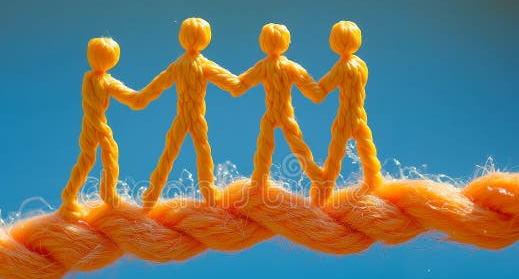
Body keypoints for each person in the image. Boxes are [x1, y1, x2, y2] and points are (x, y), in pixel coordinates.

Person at [135, 17, 242, 208]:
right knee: (202, 153)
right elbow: (232, 83)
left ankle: (152, 194)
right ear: (205, 39)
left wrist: (141, 97)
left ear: (182, 37)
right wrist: (249, 79)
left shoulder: (180, 65)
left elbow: (159, 84)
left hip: (183, 116)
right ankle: (208, 192)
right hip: (195, 116)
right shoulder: (204, 65)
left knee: (170, 153)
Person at [234, 23, 325, 191]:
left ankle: (259, 184)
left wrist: (223, 79)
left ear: (263, 42)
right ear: (286, 42)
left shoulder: (263, 66)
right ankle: (318, 179)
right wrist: (323, 89)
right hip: (284, 114)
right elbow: (314, 92)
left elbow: (240, 84)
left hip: (272, 115)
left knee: (264, 149)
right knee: (298, 149)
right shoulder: (290, 67)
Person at [60, 37, 142, 215]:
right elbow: (131, 98)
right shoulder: (105, 81)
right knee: (108, 153)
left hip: (90, 123)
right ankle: (106, 194)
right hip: (96, 123)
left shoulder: (89, 77)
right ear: (113, 60)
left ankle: (72, 196)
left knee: (88, 158)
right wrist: (147, 94)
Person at [315, 21, 382, 203]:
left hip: (346, 118)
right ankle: (376, 186)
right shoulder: (361, 65)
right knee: (368, 155)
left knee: (334, 160)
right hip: (359, 116)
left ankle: (321, 197)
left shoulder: (342, 68)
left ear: (334, 43)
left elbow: (322, 89)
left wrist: (305, 83)